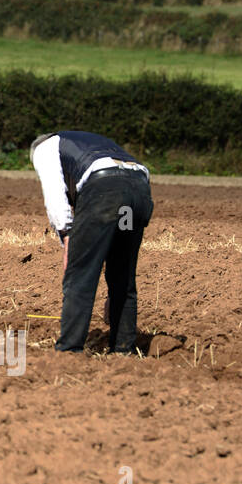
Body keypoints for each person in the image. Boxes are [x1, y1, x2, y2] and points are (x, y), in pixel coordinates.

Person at [30, 130, 153, 354]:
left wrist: (67, 235)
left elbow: (55, 194)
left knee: (81, 276)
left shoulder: (44, 148)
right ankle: (123, 350)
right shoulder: (94, 143)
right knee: (122, 278)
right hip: (139, 189)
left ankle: (69, 350)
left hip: (105, 189)